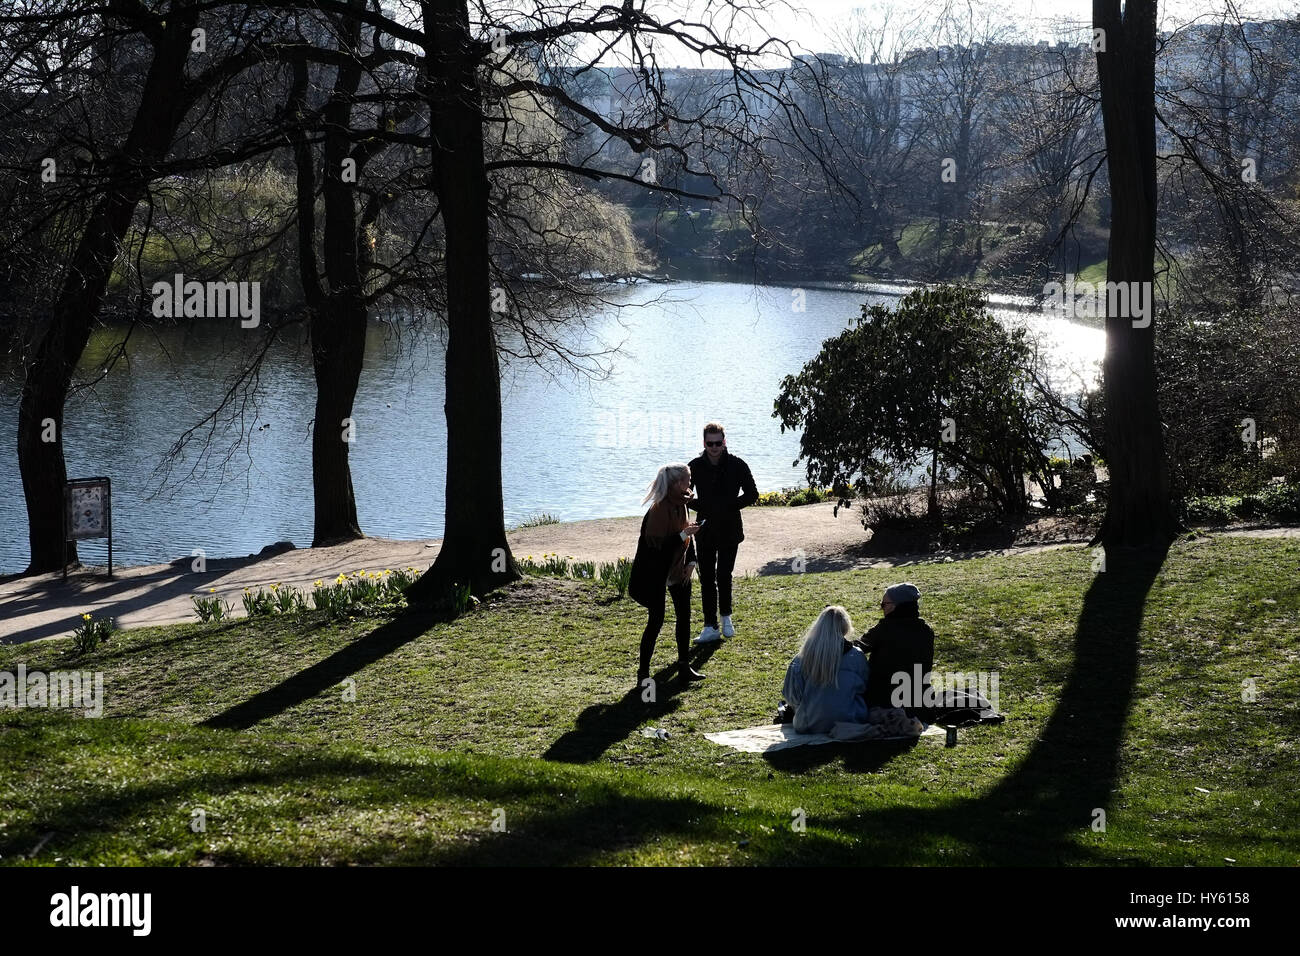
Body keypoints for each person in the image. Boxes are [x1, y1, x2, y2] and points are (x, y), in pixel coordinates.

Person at [628, 463, 707, 686]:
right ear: (676, 483)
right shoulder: (658, 510)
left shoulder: (682, 503)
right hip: (655, 572)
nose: (690, 483)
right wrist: (684, 534)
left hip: (677, 568)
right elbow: (657, 549)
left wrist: (691, 562)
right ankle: (643, 675)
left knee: (684, 616)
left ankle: (684, 666)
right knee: (656, 621)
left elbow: (686, 536)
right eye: (688, 479)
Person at [687, 422, 758, 644]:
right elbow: (684, 494)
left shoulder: (737, 464)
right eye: (710, 443)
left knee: (724, 575)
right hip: (705, 528)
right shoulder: (694, 466)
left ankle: (726, 618)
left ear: (724, 441)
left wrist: (729, 505)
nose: (715, 447)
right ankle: (710, 625)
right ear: (704, 443)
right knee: (707, 578)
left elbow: (752, 493)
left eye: (718, 443)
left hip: (730, 528)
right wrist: (702, 505)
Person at [781, 605, 869, 734]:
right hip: (851, 721)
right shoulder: (856, 656)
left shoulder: (802, 657)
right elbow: (864, 687)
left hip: (808, 724)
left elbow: (792, 696)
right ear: (845, 627)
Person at [855, 582, 935, 716]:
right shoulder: (926, 631)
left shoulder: (885, 629)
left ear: (896, 606)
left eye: (884, 604)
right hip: (919, 705)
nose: (882, 609)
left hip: (885, 703)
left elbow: (858, 647)